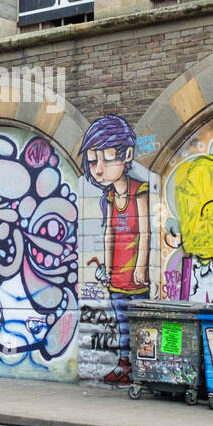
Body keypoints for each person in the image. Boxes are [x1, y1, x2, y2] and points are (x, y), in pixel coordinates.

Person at [80, 115, 150, 386]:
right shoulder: (109, 197)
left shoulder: (139, 191)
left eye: (107, 158)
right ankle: (124, 365)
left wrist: (141, 268)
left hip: (136, 279)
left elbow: (144, 232)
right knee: (122, 325)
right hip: (117, 280)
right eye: (93, 160)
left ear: (127, 154)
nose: (98, 169)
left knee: (139, 326)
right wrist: (108, 271)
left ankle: (142, 366)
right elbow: (109, 233)